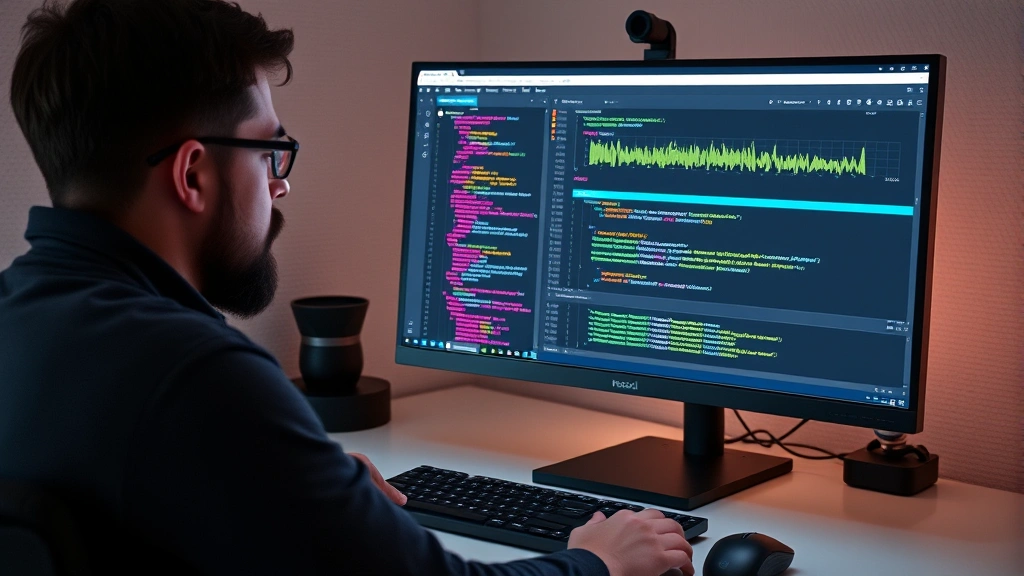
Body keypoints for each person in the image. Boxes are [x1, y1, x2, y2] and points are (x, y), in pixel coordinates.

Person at [0, 1, 695, 575]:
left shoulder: (24, 321)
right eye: (269, 152)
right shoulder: (195, 375)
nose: (281, 184)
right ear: (192, 175)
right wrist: (599, 562)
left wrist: (305, 494)